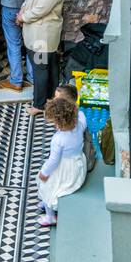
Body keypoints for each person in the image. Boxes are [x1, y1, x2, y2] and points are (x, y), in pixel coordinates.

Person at [17, 0, 64, 113]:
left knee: (40, 69)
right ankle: (51, 101)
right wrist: (22, 11)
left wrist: (23, 18)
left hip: (42, 38)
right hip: (35, 35)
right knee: (47, 68)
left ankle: (39, 105)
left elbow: (41, 9)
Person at [36, 96, 87, 227]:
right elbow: (81, 114)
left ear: (59, 123)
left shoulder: (58, 139)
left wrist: (44, 173)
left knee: (47, 186)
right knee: (50, 187)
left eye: (54, 123)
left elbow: (53, 160)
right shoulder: (80, 125)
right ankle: (48, 204)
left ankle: (50, 216)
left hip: (64, 168)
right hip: (77, 165)